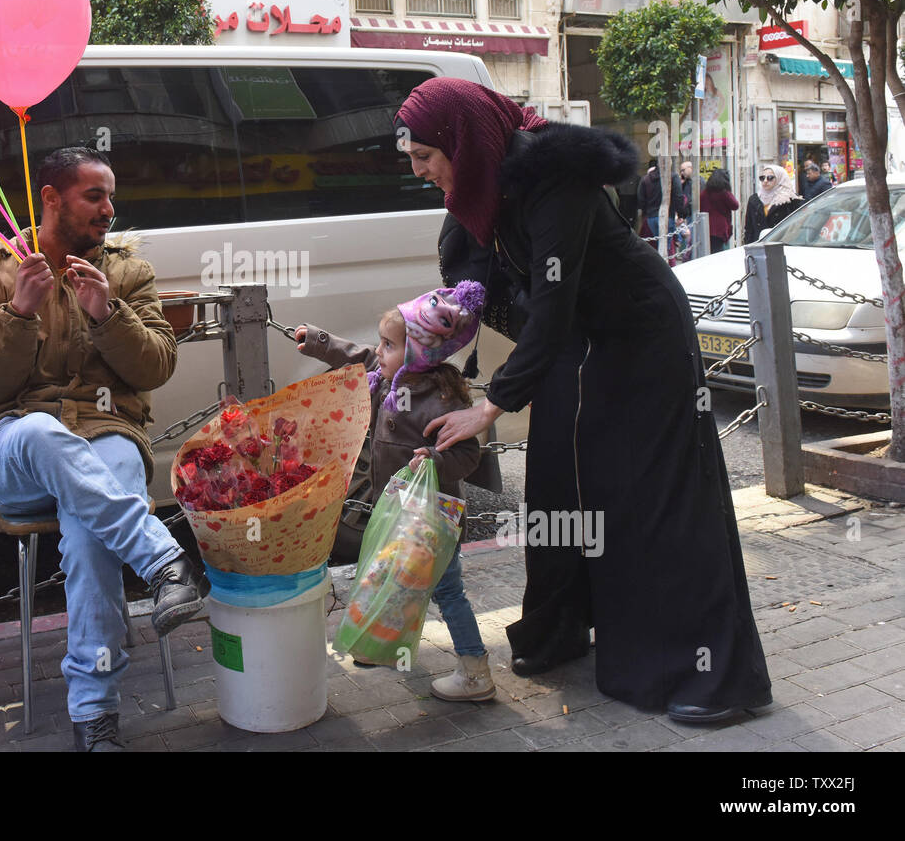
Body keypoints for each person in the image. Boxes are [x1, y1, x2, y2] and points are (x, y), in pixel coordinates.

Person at [393, 77, 772, 724]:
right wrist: (416, 343)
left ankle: (712, 675)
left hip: (644, 336)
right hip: (584, 341)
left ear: (459, 141)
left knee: (655, 500)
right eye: (413, 160)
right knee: (563, 481)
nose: (421, 171)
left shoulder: (554, 179)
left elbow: (552, 301)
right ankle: (559, 629)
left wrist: (492, 405)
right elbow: (474, 291)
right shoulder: (481, 189)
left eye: (426, 156)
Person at [0, 147, 208, 752]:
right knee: (48, 437)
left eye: (110, 196)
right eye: (94, 196)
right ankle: (164, 562)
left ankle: (94, 715)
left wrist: (107, 313)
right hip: (16, 442)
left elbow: (156, 367)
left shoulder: (127, 274)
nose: (109, 209)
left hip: (106, 430)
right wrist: (17, 313)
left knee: (93, 531)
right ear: (51, 199)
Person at [293, 283, 493, 701]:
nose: (378, 352)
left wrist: (437, 461)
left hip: (433, 521)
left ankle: (476, 671)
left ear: (420, 354)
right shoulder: (390, 376)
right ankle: (383, 645)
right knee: (390, 577)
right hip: (397, 513)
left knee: (446, 591)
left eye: (388, 344)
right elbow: (358, 355)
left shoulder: (441, 402)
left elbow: (469, 455)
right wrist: (317, 340)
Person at [743, 164, 802, 244]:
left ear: (780, 178)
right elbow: (749, 228)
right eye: (762, 178)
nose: (765, 181)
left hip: (783, 245)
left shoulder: (790, 199)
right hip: (759, 246)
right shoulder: (754, 199)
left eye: (770, 178)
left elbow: (798, 226)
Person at [699, 168, 740, 254]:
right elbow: (735, 205)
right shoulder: (724, 193)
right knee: (718, 252)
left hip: (705, 226)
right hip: (720, 227)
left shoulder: (705, 193)